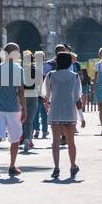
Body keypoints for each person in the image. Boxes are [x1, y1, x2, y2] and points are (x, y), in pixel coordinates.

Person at [0, 43, 27, 180]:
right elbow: (21, 92)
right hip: (13, 109)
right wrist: (25, 109)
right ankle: (11, 166)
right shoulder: (18, 69)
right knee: (15, 139)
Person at [43, 50, 83, 179]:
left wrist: (47, 105)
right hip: (69, 111)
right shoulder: (75, 76)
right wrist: (82, 117)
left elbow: (46, 96)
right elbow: (78, 99)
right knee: (71, 141)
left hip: (55, 111)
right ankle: (72, 166)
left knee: (55, 142)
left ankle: (56, 168)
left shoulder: (50, 75)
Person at [20, 50, 42, 153]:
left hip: (21, 96)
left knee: (22, 120)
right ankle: (27, 139)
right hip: (33, 96)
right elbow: (39, 84)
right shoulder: (36, 70)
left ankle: (24, 137)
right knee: (29, 120)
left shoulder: (20, 70)